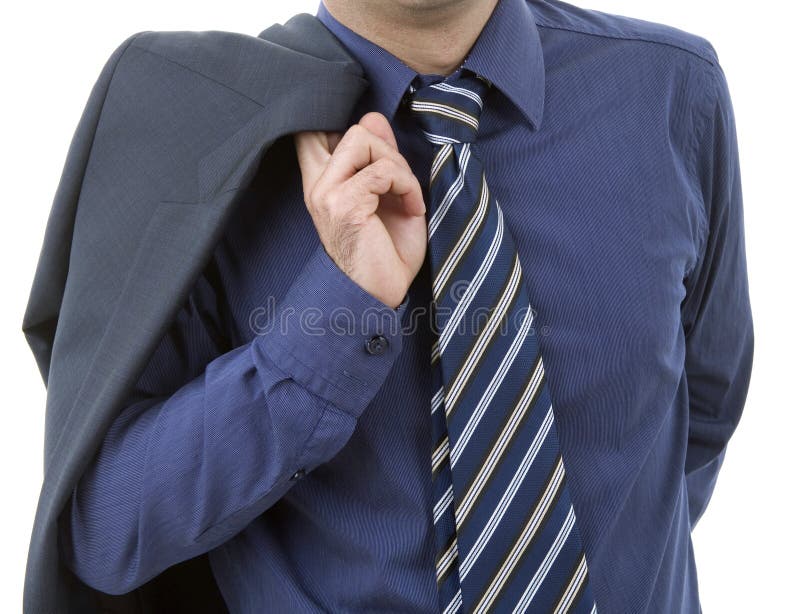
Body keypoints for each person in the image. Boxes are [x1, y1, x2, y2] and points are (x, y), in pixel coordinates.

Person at [31, 0, 752, 611]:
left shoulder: (671, 91)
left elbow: (700, 419)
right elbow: (108, 528)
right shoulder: (198, 129)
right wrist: (339, 312)